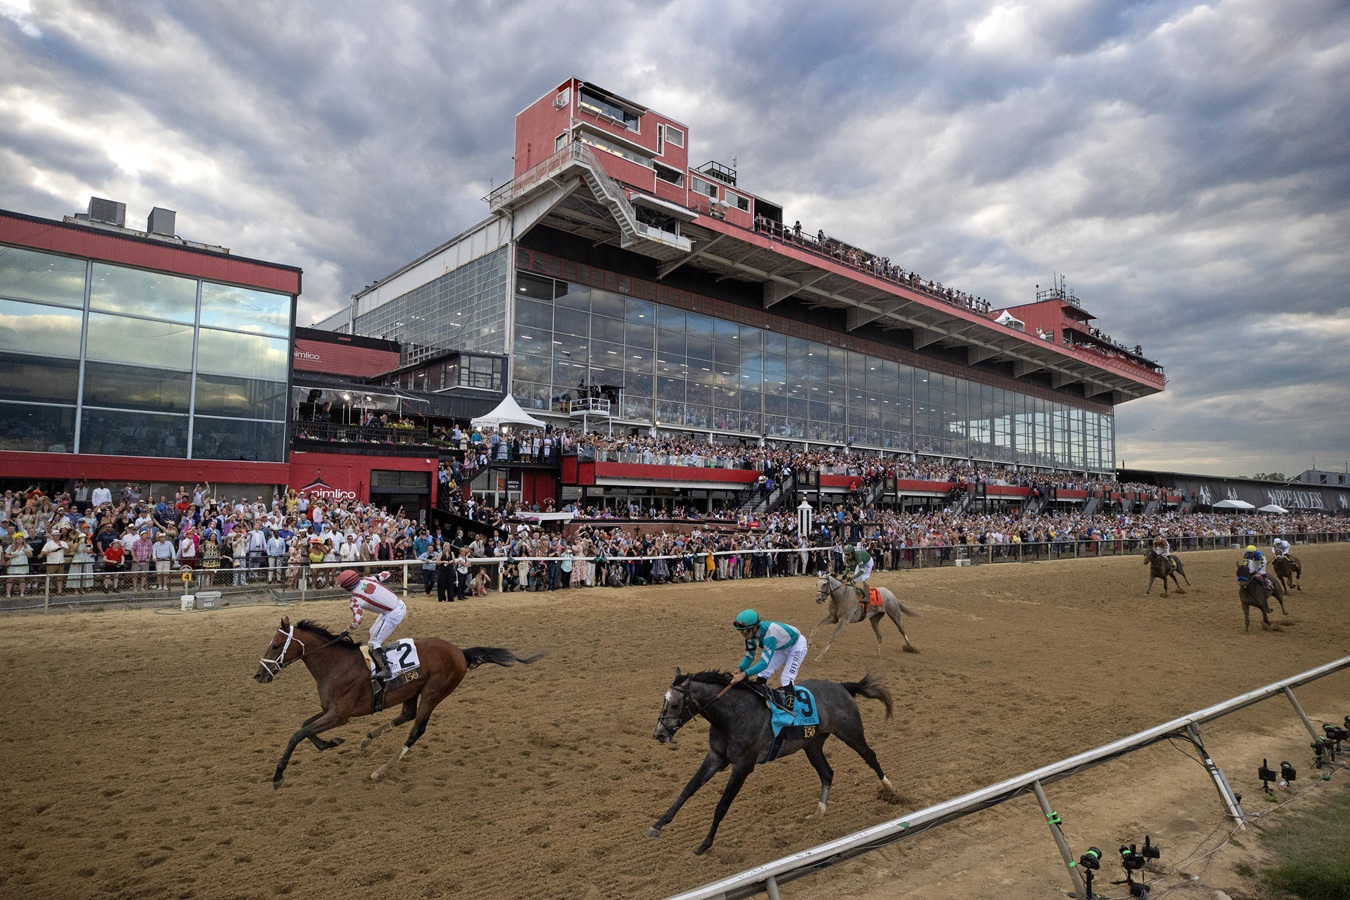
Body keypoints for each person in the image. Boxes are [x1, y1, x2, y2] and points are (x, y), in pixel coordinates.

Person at [729, 609, 807, 713]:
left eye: (746, 631)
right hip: (780, 646)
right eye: (741, 631)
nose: (743, 634)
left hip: (796, 646)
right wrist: (739, 669)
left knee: (786, 678)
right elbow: (749, 657)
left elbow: (763, 664)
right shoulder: (750, 636)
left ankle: (790, 710)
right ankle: (757, 702)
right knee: (763, 674)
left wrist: (743, 675)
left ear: (755, 628)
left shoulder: (769, 636)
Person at [338, 568, 406, 681]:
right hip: (399, 605)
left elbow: (357, 621)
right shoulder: (369, 578)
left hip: (392, 614)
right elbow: (385, 574)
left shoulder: (355, 600)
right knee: (372, 632)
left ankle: (386, 670)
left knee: (374, 642)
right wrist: (393, 572)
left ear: (346, 587)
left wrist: (347, 630)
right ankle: (382, 655)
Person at [842, 543, 873, 615]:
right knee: (854, 581)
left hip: (868, 562)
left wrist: (851, 577)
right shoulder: (848, 558)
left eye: (848, 554)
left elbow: (862, 571)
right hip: (861, 564)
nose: (847, 556)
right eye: (846, 554)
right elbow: (848, 568)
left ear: (852, 552)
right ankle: (852, 594)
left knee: (864, 579)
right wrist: (844, 575)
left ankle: (867, 597)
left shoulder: (858, 555)